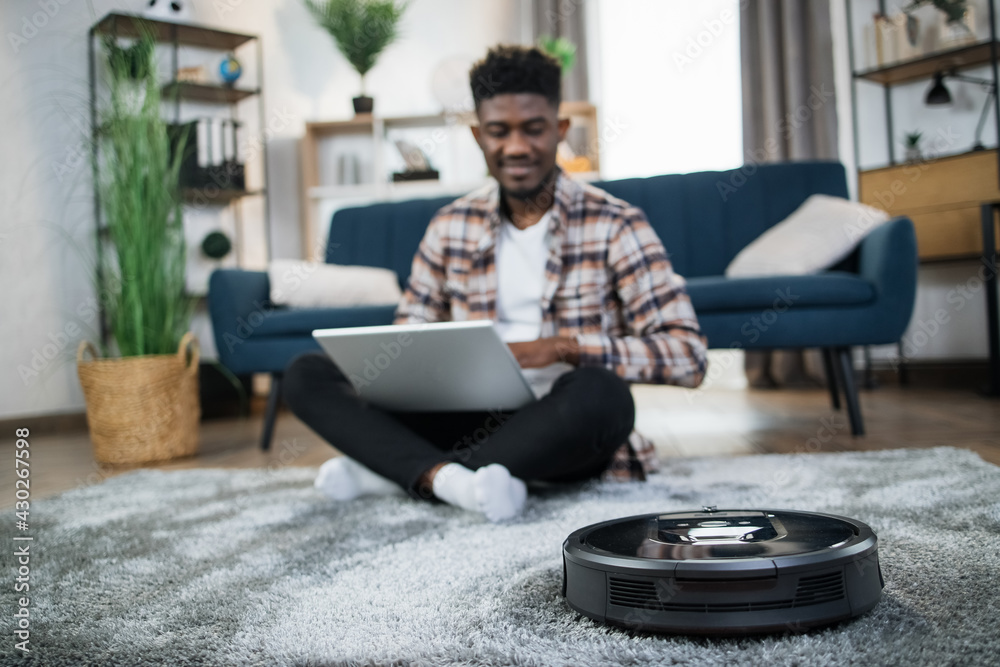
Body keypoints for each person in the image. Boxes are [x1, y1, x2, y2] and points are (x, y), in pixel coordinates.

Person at [283, 45, 707, 522]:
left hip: (558, 424)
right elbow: (406, 334)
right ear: (477, 135)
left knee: (603, 396)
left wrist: (561, 348)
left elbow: (687, 356)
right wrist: (413, 357)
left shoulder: (617, 224)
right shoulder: (449, 225)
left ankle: (397, 473)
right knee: (306, 373)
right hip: (458, 417)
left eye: (533, 128)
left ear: (560, 130)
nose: (516, 147)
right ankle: (456, 479)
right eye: (498, 131)